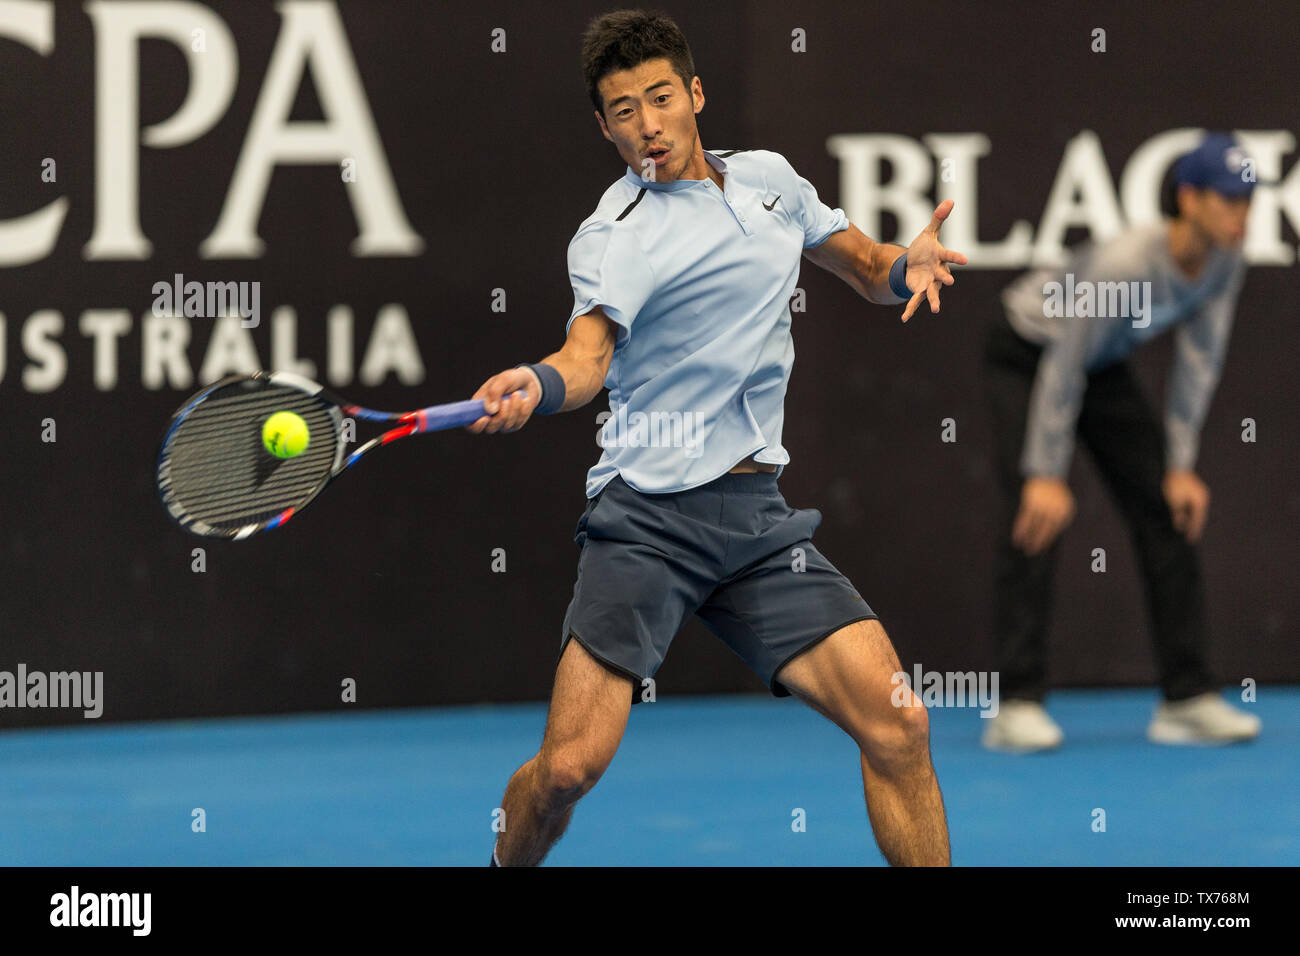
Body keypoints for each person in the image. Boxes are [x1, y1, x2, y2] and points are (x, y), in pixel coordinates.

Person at [465, 9, 967, 865]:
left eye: (660, 98)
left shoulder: (771, 181)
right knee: (566, 773)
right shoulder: (614, 235)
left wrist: (901, 267)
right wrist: (538, 385)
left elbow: (858, 261)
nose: (647, 125)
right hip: (646, 521)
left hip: (753, 517)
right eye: (623, 111)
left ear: (694, 94)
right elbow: (586, 358)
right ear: (605, 127)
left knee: (899, 724)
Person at [981, 131, 1262, 752]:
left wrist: (1181, 465)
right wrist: (1047, 473)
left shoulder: (1225, 261)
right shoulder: (1126, 263)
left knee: (1168, 508)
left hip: (1098, 364)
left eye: (1247, 201)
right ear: (1188, 199)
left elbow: (1199, 364)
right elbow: (1062, 365)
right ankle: (1018, 706)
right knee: (1037, 516)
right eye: (1227, 200)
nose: (1241, 214)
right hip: (1028, 351)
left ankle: (1185, 698)